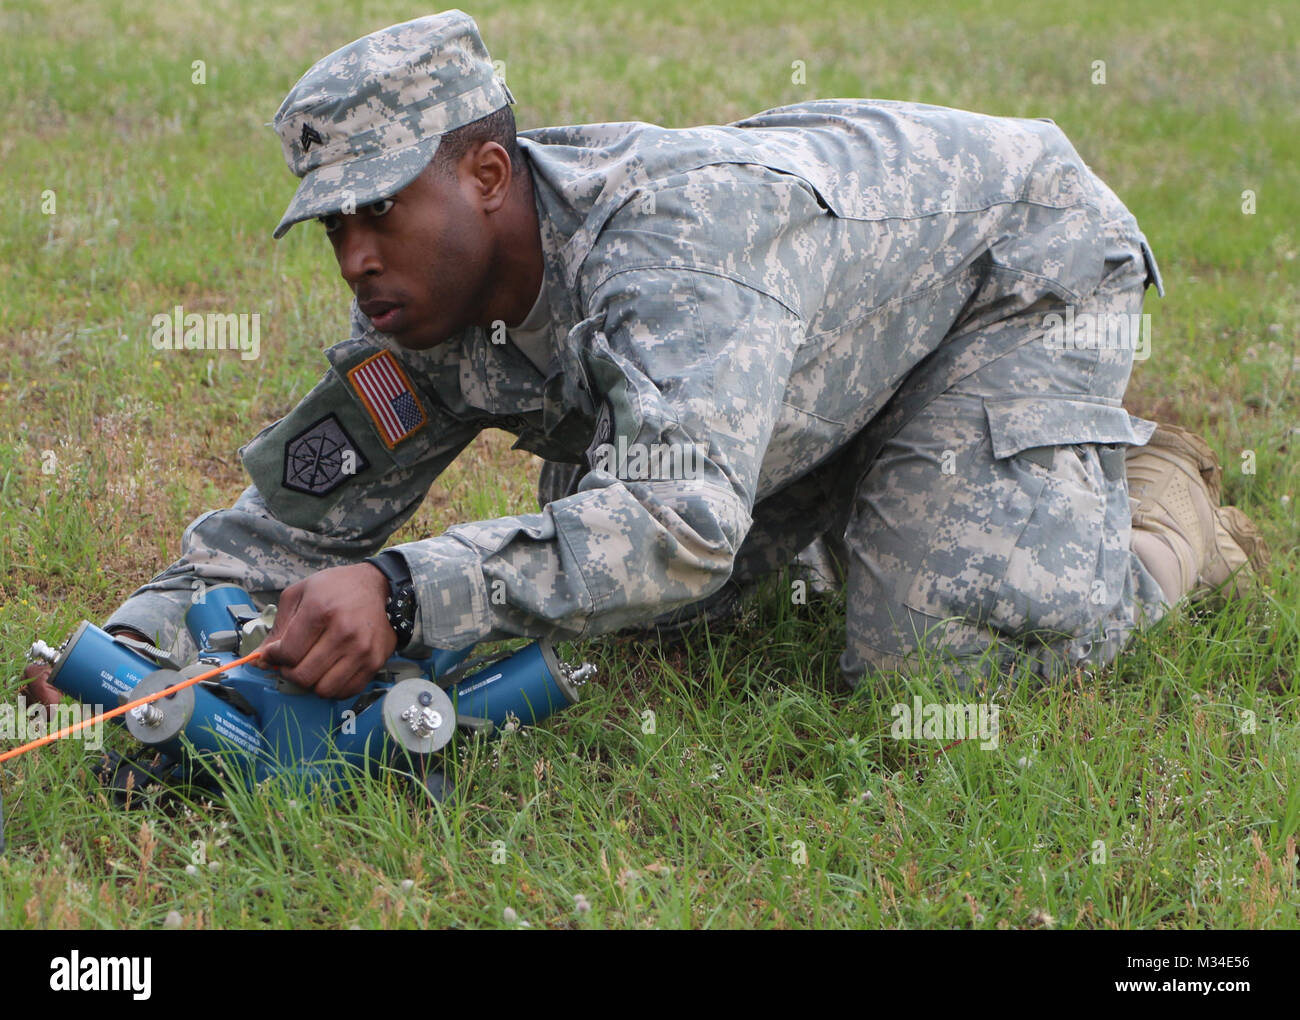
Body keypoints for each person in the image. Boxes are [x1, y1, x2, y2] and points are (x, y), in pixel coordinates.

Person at [22, 10, 1268, 710]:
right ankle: (899, 482)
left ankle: (1160, 514)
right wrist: (123, 656)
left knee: (936, 670)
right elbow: (284, 532)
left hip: (1013, 268)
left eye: (378, 209)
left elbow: (675, 519)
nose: (354, 254)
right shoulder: (422, 317)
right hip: (805, 339)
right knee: (654, 620)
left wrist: (406, 593)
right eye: (334, 223)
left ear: (488, 175)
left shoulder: (675, 252)